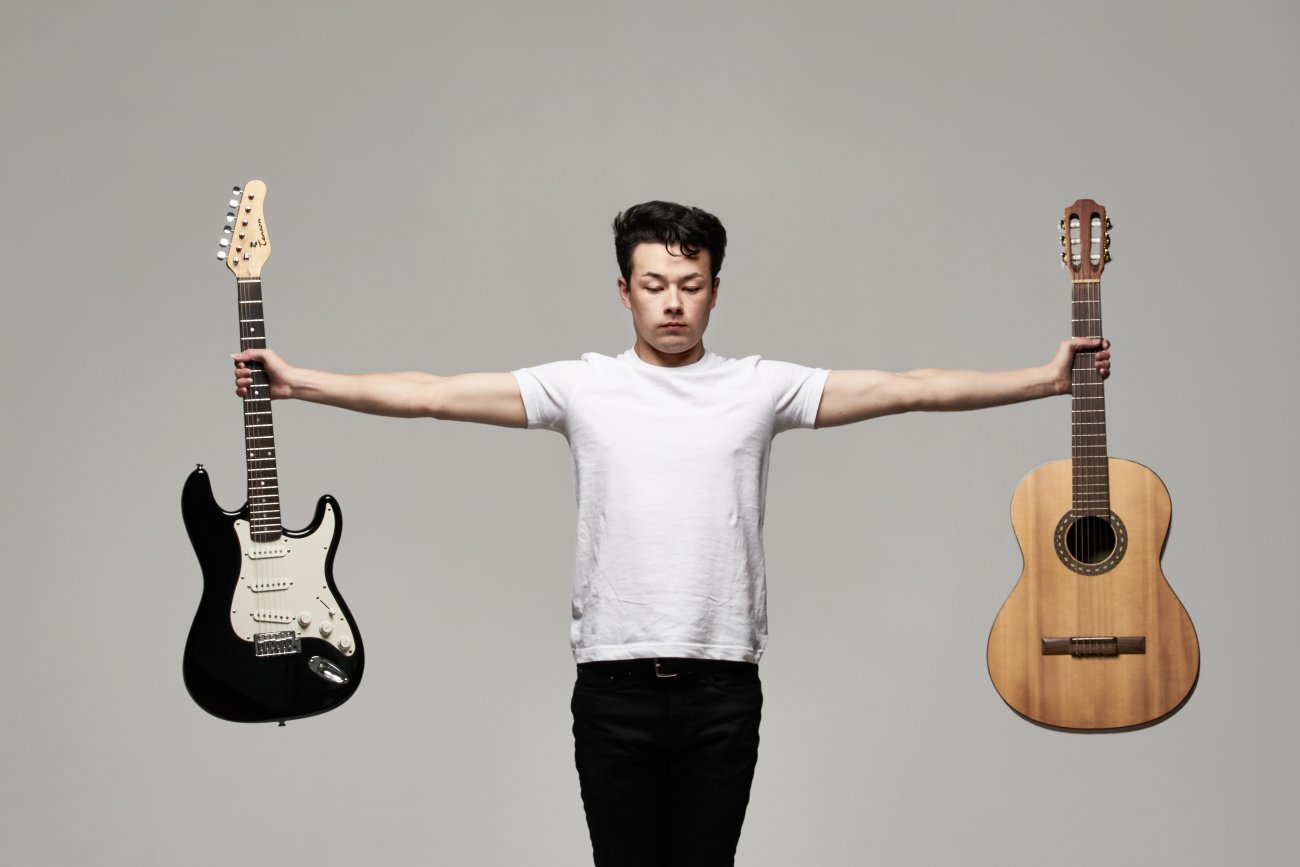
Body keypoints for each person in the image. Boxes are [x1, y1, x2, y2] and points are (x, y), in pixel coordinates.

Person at [233, 201, 1110, 866]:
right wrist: (300, 383)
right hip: (611, 683)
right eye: (654, 285)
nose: (673, 303)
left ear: (716, 288)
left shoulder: (759, 387)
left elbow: (909, 387)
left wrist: (1043, 380)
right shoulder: (581, 387)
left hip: (723, 683)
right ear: (624, 291)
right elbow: (433, 393)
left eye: (691, 285)